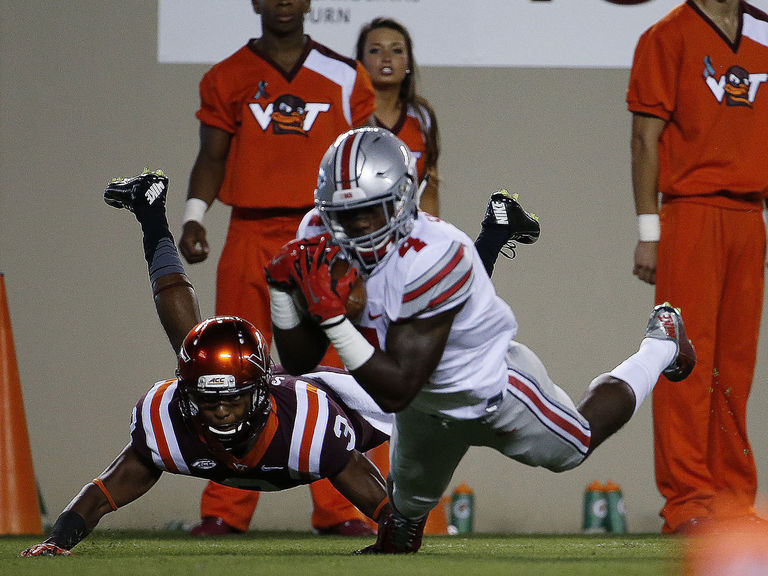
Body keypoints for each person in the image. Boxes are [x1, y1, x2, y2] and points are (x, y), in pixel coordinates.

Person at [266, 127, 697, 553]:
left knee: (577, 444)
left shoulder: (437, 252)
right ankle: (403, 525)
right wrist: (283, 294)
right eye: (344, 214)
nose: (356, 227)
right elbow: (299, 360)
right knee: (405, 518)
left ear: (401, 201)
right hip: (421, 405)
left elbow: (397, 388)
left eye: (370, 211)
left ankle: (661, 345)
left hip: (489, 386)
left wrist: (332, 317)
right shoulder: (317, 230)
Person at [20, 170, 392, 558]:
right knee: (195, 350)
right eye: (208, 401)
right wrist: (55, 541)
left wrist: (395, 531)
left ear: (262, 393)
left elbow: (381, 506)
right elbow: (103, 492)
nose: (221, 413)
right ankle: (151, 215)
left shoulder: (310, 424)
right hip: (246, 387)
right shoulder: (168, 420)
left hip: (335, 394)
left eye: (232, 400)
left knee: (430, 402)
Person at [177, 0, 376, 536]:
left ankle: (342, 508)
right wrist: (195, 216)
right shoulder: (227, 76)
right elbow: (212, 156)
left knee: (330, 371)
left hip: (320, 235)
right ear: (256, 2)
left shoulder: (345, 76)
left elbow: (363, 161)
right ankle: (224, 509)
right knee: (229, 366)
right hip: (248, 230)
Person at [627, 0, 768, 535]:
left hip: (748, 215)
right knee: (684, 362)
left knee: (735, 369)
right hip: (690, 213)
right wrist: (649, 233)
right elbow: (644, 140)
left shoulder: (763, 31)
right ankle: (687, 501)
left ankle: (733, 503)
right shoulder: (666, 37)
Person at [355, 17, 440, 216]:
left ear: (408, 61)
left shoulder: (421, 115)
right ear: (360, 61)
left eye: (397, 50)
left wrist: (431, 238)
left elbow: (429, 185)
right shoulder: (350, 115)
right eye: (375, 50)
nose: (386, 57)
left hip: (411, 231)